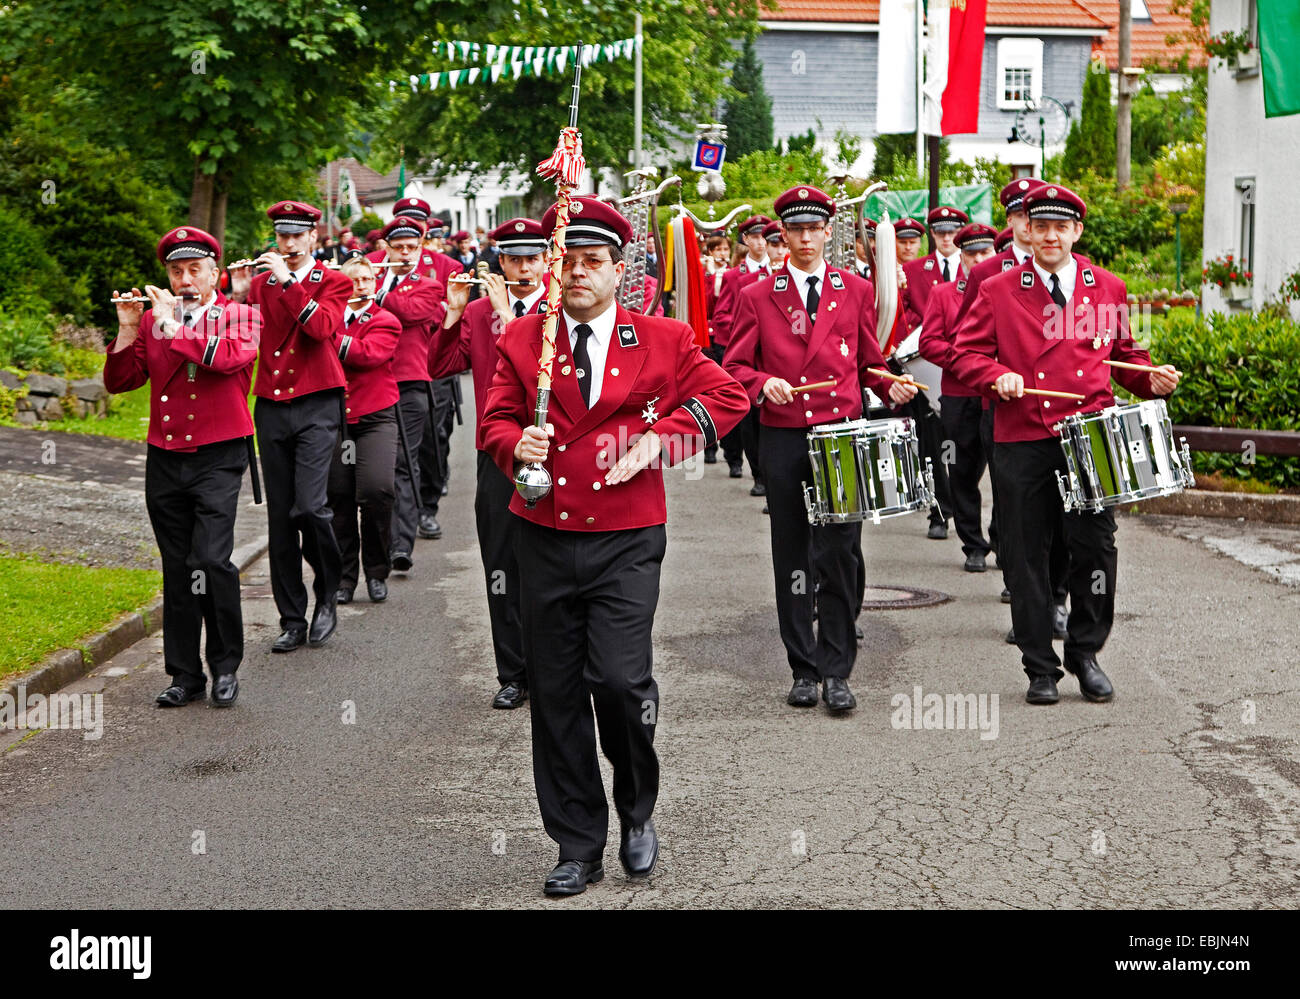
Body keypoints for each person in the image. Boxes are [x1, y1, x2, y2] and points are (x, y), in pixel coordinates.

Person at [479, 196, 749, 896]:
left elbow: (727, 397)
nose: (576, 273)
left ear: (619, 271)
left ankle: (636, 810)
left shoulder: (662, 338)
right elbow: (494, 423)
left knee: (622, 683)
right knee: (559, 692)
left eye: (592, 262)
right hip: (543, 534)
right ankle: (576, 840)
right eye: (566, 260)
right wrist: (517, 443)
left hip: (627, 537)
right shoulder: (523, 342)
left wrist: (665, 437)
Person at [948, 183, 1181, 705]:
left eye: (1061, 227)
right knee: (1026, 553)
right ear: (1025, 231)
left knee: (1095, 548)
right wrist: (995, 374)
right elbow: (964, 355)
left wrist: (1153, 379)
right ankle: (1040, 667)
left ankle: (1085, 651)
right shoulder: (999, 289)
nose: (1050, 236)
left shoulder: (1109, 288)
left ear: (1077, 231)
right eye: (1041, 226)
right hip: (1023, 437)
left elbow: (1126, 358)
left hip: (1090, 440)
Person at [725, 185, 919, 713]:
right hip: (785, 438)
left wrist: (890, 387)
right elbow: (735, 368)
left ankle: (838, 670)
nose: (806, 238)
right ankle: (803, 668)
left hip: (841, 439)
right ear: (782, 236)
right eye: (796, 229)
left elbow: (869, 363)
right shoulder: (757, 296)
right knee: (792, 553)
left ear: (828, 233)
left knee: (840, 555)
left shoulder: (853, 290)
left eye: (815, 229)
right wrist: (762, 384)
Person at [105, 226, 260, 707]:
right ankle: (184, 675)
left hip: (218, 453)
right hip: (166, 456)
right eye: (176, 271)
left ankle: (226, 665)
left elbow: (231, 360)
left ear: (216, 272)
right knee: (177, 566)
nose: (185, 278)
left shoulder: (241, 315)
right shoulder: (152, 321)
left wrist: (174, 326)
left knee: (211, 561)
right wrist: (130, 326)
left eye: (195, 269)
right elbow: (119, 381)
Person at [430, 217, 549, 711]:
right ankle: (513, 672)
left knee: (551, 562)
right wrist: (454, 316)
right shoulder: (480, 310)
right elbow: (439, 368)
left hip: (549, 450)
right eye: (513, 260)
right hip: (496, 452)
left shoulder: (561, 306)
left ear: (546, 262)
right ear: (499, 263)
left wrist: (510, 319)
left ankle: (555, 668)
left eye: (531, 259)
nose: (523, 268)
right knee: (501, 561)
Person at [229, 200, 351, 652]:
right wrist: (240, 298)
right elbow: (242, 338)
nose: (290, 243)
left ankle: (327, 596)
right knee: (280, 518)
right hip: (273, 405)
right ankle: (291, 618)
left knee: (310, 507)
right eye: (283, 235)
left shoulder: (333, 280)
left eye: (299, 235)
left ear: (314, 239)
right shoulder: (259, 284)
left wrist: (286, 280)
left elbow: (320, 330)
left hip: (318, 402)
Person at [919, 223, 999, 572]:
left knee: (1007, 476)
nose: (978, 260)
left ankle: (1004, 543)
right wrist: (964, 359)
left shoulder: (1005, 290)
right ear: (962, 257)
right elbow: (928, 343)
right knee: (962, 473)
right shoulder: (943, 294)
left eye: (985, 253)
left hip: (998, 396)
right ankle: (974, 545)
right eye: (971, 254)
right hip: (959, 394)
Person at [372, 215, 446, 571]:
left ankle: (401, 545)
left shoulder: (428, 284)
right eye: (398, 247)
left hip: (409, 384)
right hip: (367, 384)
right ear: (386, 247)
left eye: (411, 248)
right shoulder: (368, 273)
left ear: (421, 248)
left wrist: (376, 293)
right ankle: (375, 543)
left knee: (403, 463)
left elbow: (412, 312)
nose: (404, 254)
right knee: (370, 470)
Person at [327, 256, 402, 604]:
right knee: (338, 497)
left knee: (376, 491)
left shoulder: (385, 319)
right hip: (336, 419)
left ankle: (376, 569)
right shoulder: (330, 319)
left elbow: (367, 355)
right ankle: (344, 577)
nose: (361, 285)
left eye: (367, 279)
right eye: (353, 280)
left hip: (375, 417)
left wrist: (327, 335)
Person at [708, 214, 772, 481]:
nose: (760, 242)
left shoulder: (779, 272)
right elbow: (721, 315)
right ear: (746, 240)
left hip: (771, 353)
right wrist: (747, 326)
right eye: (754, 237)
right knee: (746, 413)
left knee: (769, 415)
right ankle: (746, 465)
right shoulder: (734, 276)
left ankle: (767, 473)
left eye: (764, 237)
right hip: (744, 350)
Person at [902, 205, 969, 330]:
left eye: (951, 232)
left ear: (960, 232)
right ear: (932, 232)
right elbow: (900, 310)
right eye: (941, 233)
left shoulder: (972, 266)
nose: (946, 238)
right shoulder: (912, 270)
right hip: (924, 342)